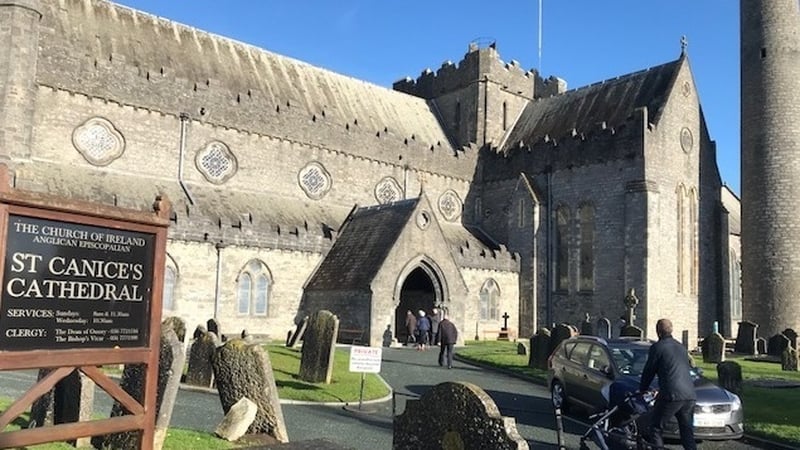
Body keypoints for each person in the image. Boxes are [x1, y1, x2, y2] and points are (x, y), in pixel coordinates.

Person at [639, 318, 697, 450]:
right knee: (686, 431)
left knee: (655, 427)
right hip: (689, 395)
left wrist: (643, 389)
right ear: (672, 330)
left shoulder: (657, 348)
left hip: (671, 395)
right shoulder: (681, 347)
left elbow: (649, 371)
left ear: (658, 331)